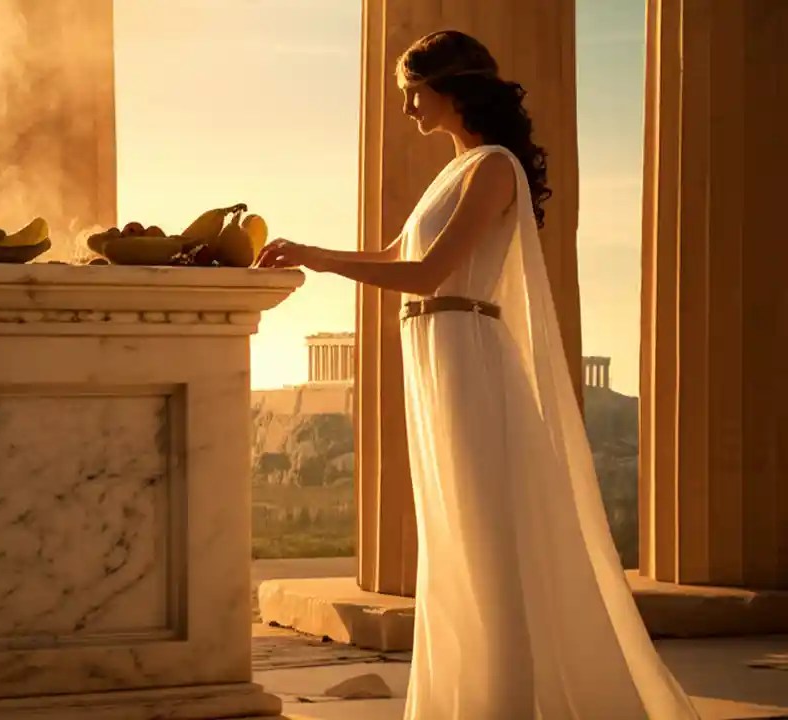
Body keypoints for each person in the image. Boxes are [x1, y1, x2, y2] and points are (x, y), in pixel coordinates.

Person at [256, 30, 700, 720]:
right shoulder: (455, 170)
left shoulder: (493, 167)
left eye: (412, 90)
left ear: (449, 86)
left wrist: (317, 255)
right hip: (437, 351)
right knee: (455, 535)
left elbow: (428, 273)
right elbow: (394, 255)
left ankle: (504, 703)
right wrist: (306, 255)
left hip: (467, 354)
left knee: (484, 538)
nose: (407, 107)